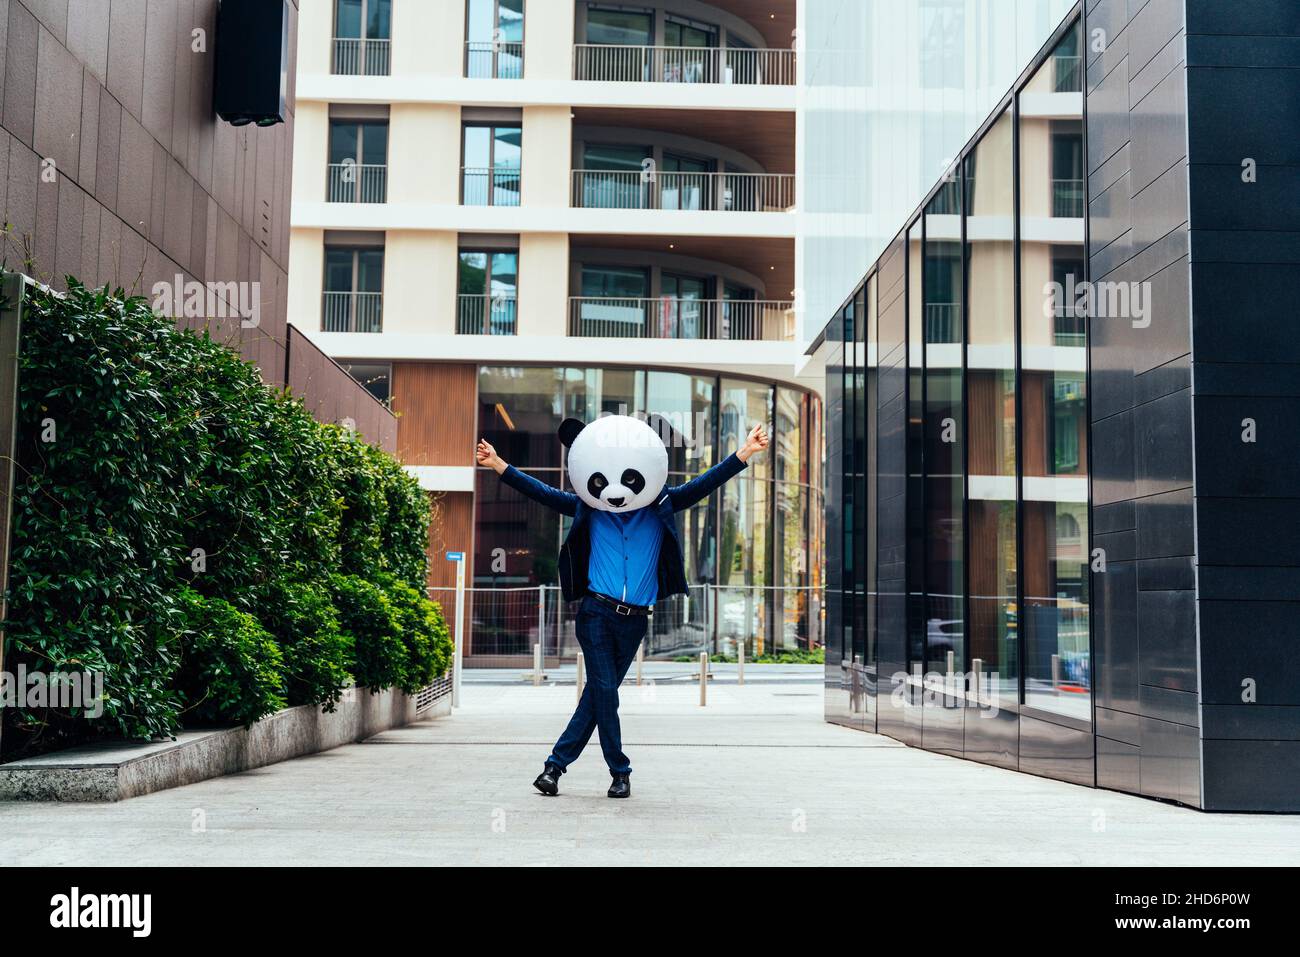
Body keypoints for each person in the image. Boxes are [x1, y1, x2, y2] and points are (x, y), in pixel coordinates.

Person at [476, 414, 769, 798]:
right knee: (605, 692)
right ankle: (619, 771)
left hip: (634, 622)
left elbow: (704, 484)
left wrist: (744, 452)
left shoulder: (662, 505)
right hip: (595, 614)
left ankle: (554, 768)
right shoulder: (589, 507)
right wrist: (499, 464)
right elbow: (544, 493)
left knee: (598, 696)